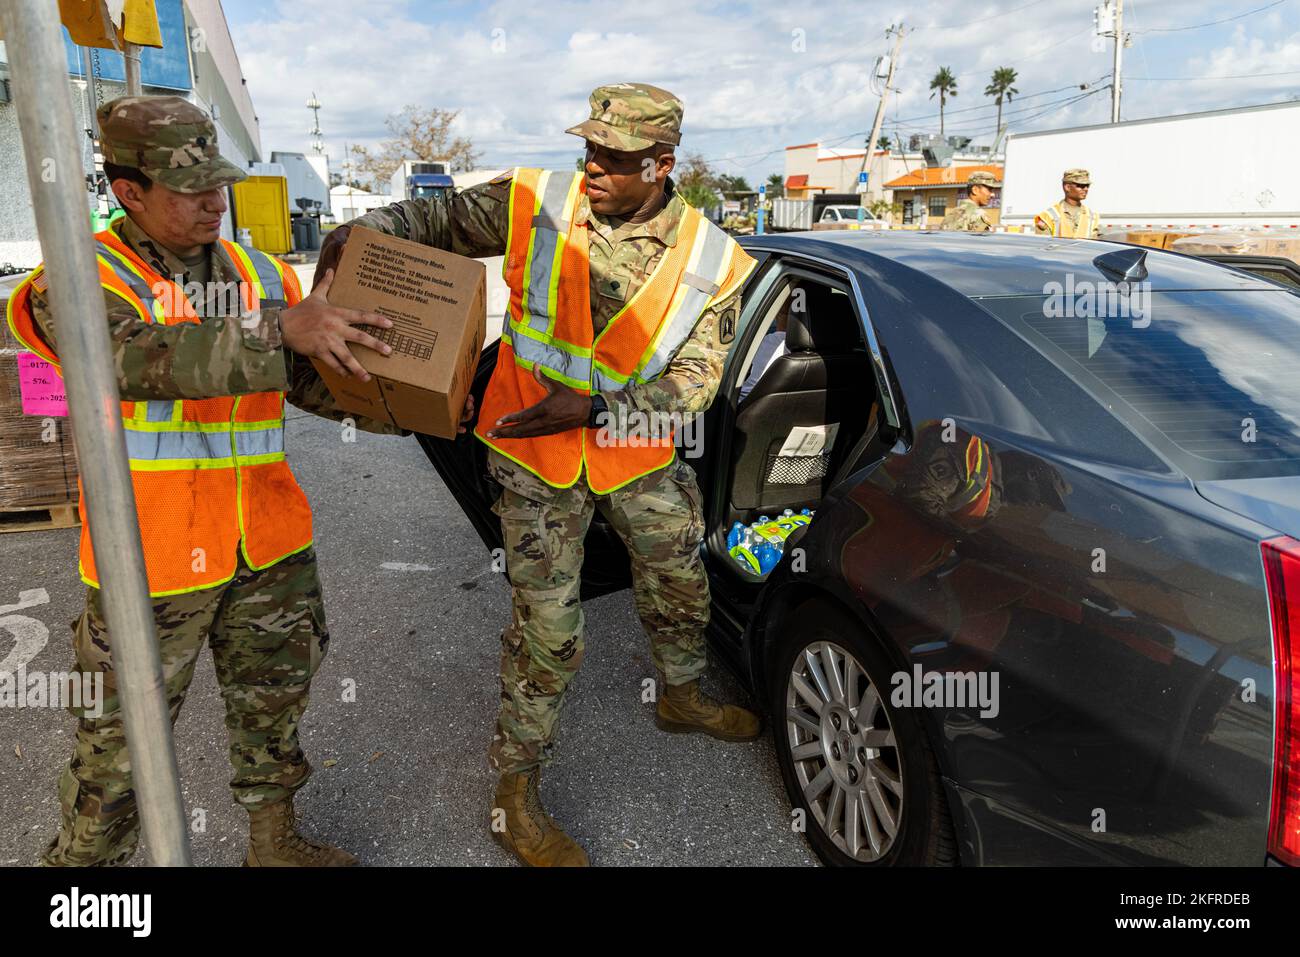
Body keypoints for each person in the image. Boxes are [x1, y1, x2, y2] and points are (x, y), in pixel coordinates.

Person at [318, 82, 761, 867]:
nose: (591, 166)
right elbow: (434, 220)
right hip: (533, 453)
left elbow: (696, 380)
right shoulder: (535, 199)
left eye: (614, 158)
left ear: (662, 165)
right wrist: (362, 231)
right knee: (549, 630)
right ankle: (517, 792)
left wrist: (595, 407)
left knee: (681, 584)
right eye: (587, 147)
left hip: (635, 448)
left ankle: (683, 696)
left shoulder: (713, 258)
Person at [7, 95, 407, 867]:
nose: (213, 203)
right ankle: (83, 884)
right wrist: (279, 331)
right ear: (128, 191)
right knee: (118, 752)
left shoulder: (259, 272)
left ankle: (274, 845)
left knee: (274, 711)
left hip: (268, 542)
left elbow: (312, 379)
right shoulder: (78, 276)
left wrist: (411, 395)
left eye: (218, 184)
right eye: (191, 189)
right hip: (149, 562)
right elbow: (132, 361)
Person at [1034, 168, 1101, 238]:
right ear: (1067, 187)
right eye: (1081, 186)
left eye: (1087, 186)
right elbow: (1043, 245)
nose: (1086, 189)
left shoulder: (1091, 216)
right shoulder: (1048, 216)